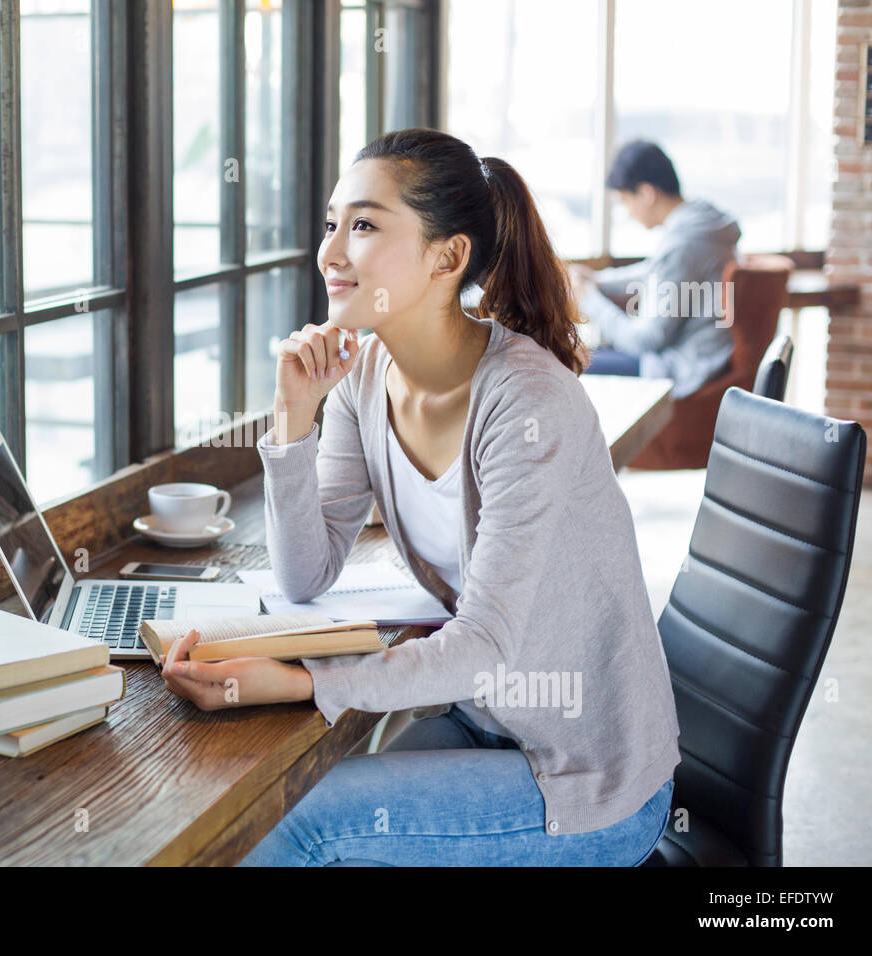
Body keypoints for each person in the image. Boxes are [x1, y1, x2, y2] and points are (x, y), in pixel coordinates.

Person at [157, 127, 680, 866]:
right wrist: (292, 420)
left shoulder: (528, 405)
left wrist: (300, 682)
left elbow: (486, 646)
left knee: (293, 826)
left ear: (449, 255)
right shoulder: (366, 376)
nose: (332, 252)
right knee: (288, 794)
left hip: (584, 776)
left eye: (365, 225)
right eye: (332, 222)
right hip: (484, 722)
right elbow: (306, 576)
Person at [569, 140, 741, 397]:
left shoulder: (683, 244)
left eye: (626, 201)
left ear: (647, 194)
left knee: (569, 362)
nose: (628, 213)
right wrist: (598, 280)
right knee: (587, 353)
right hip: (706, 357)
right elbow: (655, 272)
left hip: (684, 369)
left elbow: (646, 340)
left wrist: (589, 300)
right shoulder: (703, 225)